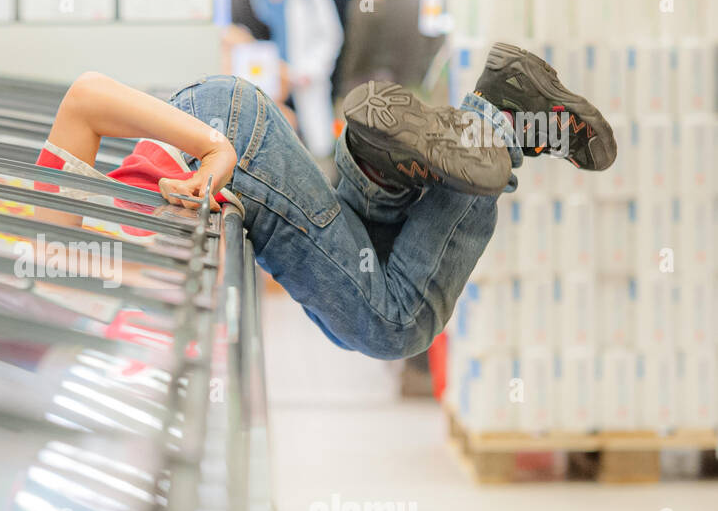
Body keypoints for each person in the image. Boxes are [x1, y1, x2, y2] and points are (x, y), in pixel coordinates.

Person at [38, 43, 616, 360]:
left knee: (391, 324)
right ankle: (378, 164)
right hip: (217, 120)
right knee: (373, 258)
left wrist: (213, 151)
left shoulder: (49, 280)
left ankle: (498, 122)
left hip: (222, 151)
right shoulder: (54, 300)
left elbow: (86, 96)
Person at [227, 0, 342, 157]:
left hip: (301, 87)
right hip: (258, 90)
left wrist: (303, 72)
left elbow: (330, 38)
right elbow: (231, 40)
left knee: (308, 157)